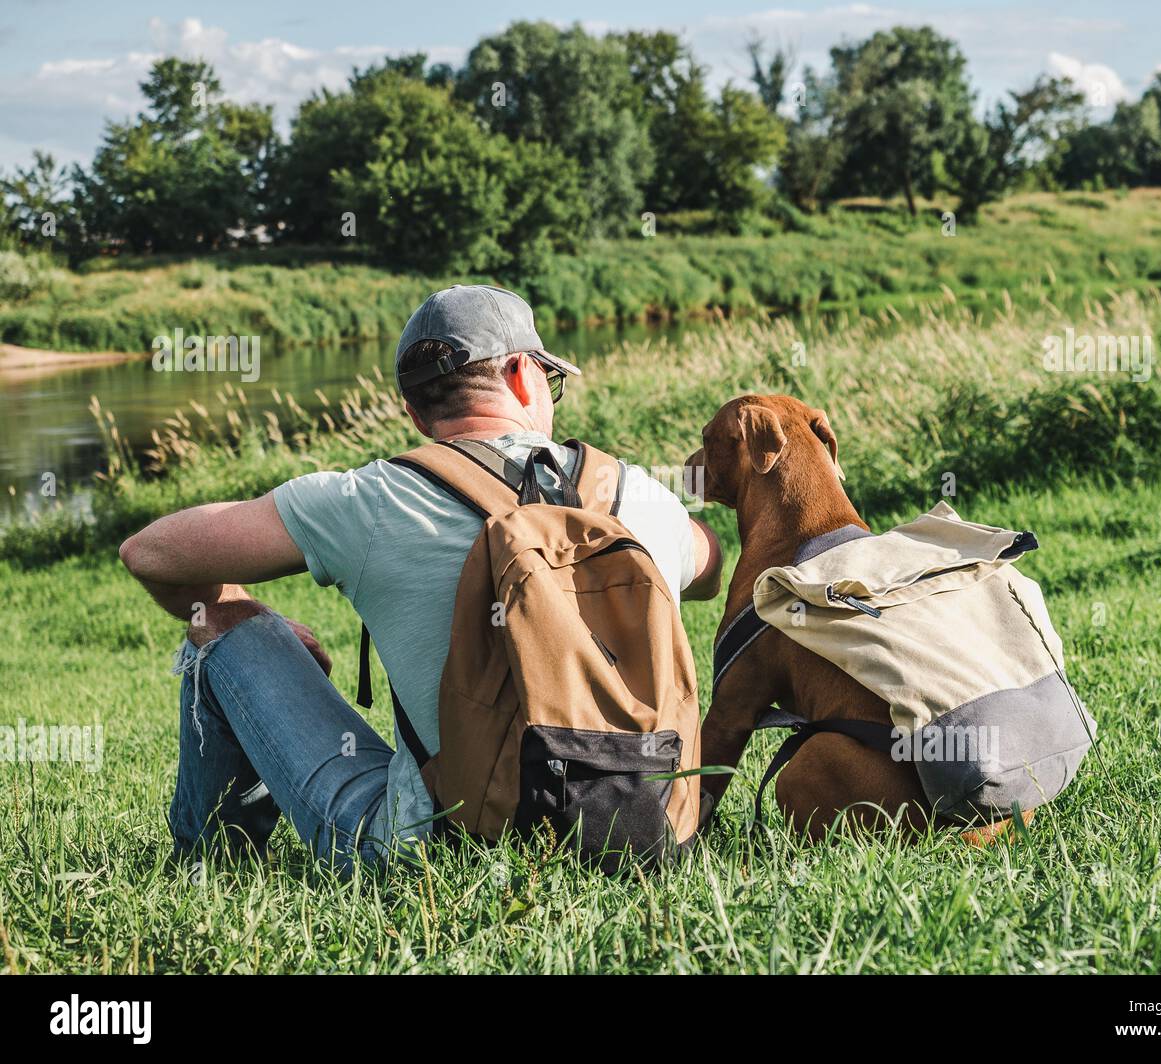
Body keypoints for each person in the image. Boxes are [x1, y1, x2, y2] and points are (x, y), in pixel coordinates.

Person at [119, 284, 722, 873]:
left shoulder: (371, 498)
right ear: (520, 373)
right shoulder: (640, 495)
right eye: (550, 377)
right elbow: (710, 568)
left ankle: (208, 859)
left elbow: (150, 551)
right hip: (644, 828)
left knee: (221, 621)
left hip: (433, 851)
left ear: (414, 412)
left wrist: (243, 611)